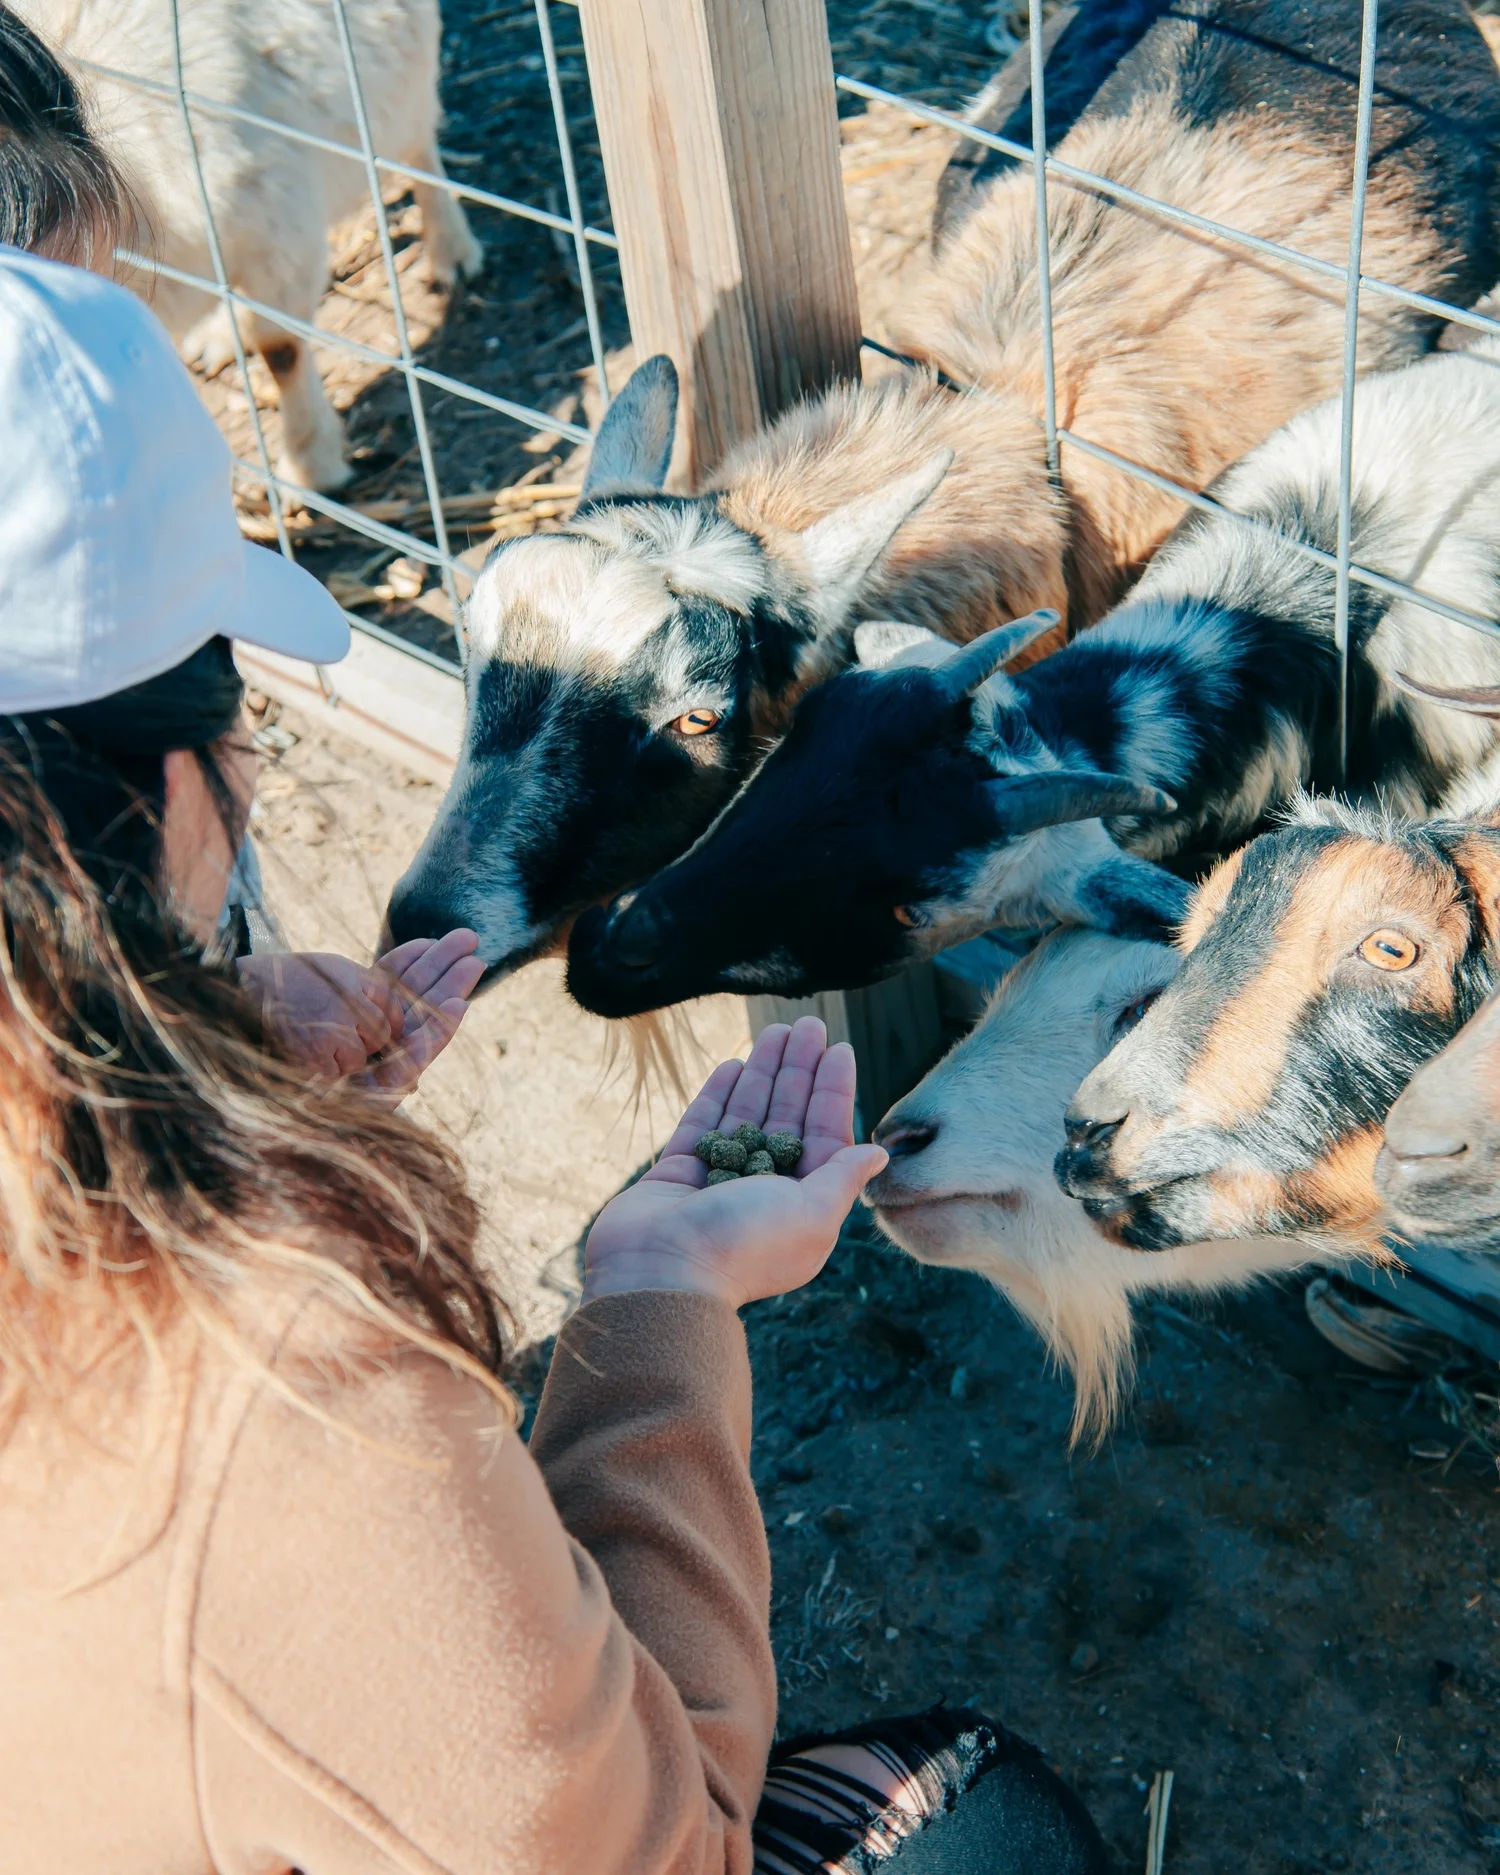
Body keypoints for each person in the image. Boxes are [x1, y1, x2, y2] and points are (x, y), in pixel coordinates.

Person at [0, 240, 1109, 1875]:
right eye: (229, 686)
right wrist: (662, 1294)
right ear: (166, 772)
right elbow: (653, 1854)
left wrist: (209, 1055)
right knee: (987, 1831)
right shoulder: (274, 1395)